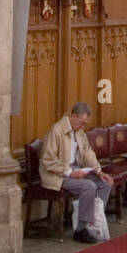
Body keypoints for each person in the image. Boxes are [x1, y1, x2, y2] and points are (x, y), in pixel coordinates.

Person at [40, 101, 114, 241]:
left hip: (76, 170)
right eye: (82, 122)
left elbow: (87, 153)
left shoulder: (79, 132)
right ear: (73, 116)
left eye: (85, 123)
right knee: (88, 186)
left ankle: (94, 222)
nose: (84, 126)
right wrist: (69, 172)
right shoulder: (56, 130)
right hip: (57, 174)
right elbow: (48, 160)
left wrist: (99, 171)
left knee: (105, 183)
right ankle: (81, 229)